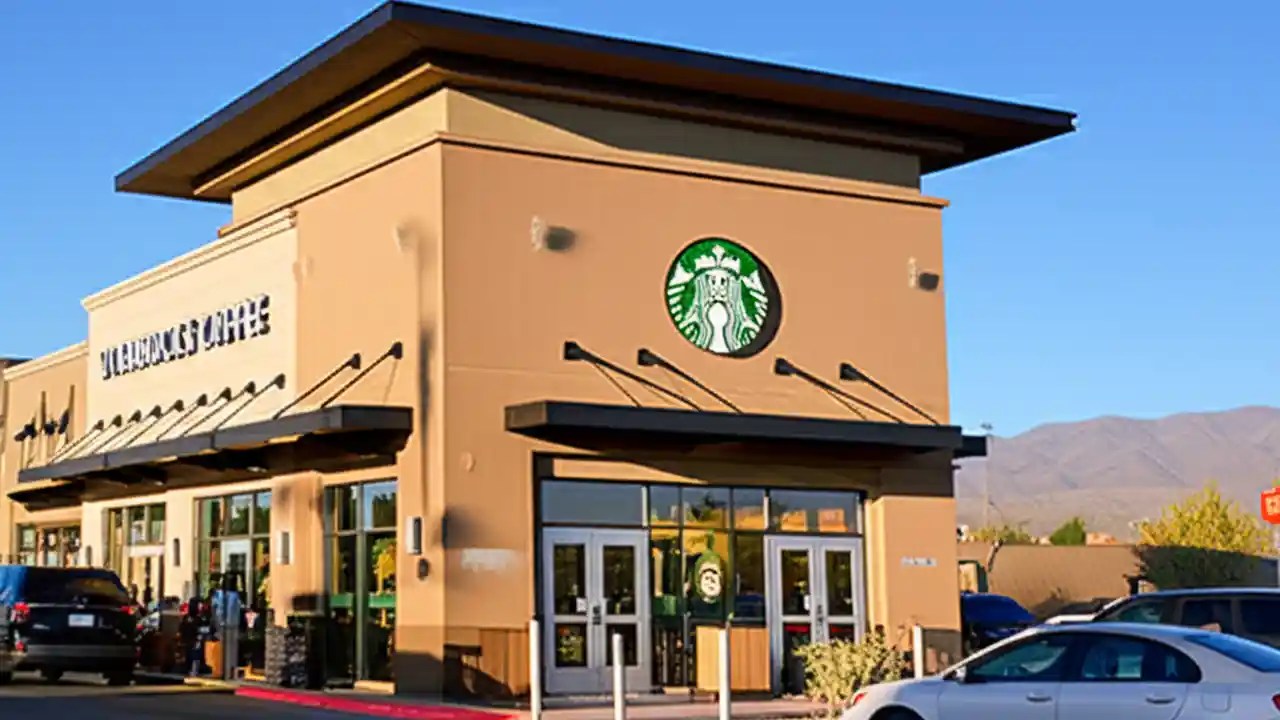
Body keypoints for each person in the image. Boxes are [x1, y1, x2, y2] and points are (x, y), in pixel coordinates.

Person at [209, 575, 243, 678]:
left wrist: (215, 622)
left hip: (222, 624)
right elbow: (238, 610)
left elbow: (214, 609)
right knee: (232, 648)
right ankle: (231, 669)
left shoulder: (218, 594)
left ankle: (222, 669)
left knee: (223, 648)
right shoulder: (236, 596)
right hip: (233, 624)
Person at [180, 598, 205, 677]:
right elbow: (200, 630)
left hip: (188, 641)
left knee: (190, 655)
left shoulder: (186, 618)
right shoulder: (198, 619)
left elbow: (181, 629)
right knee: (195, 655)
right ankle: (193, 670)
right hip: (194, 641)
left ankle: (190, 670)